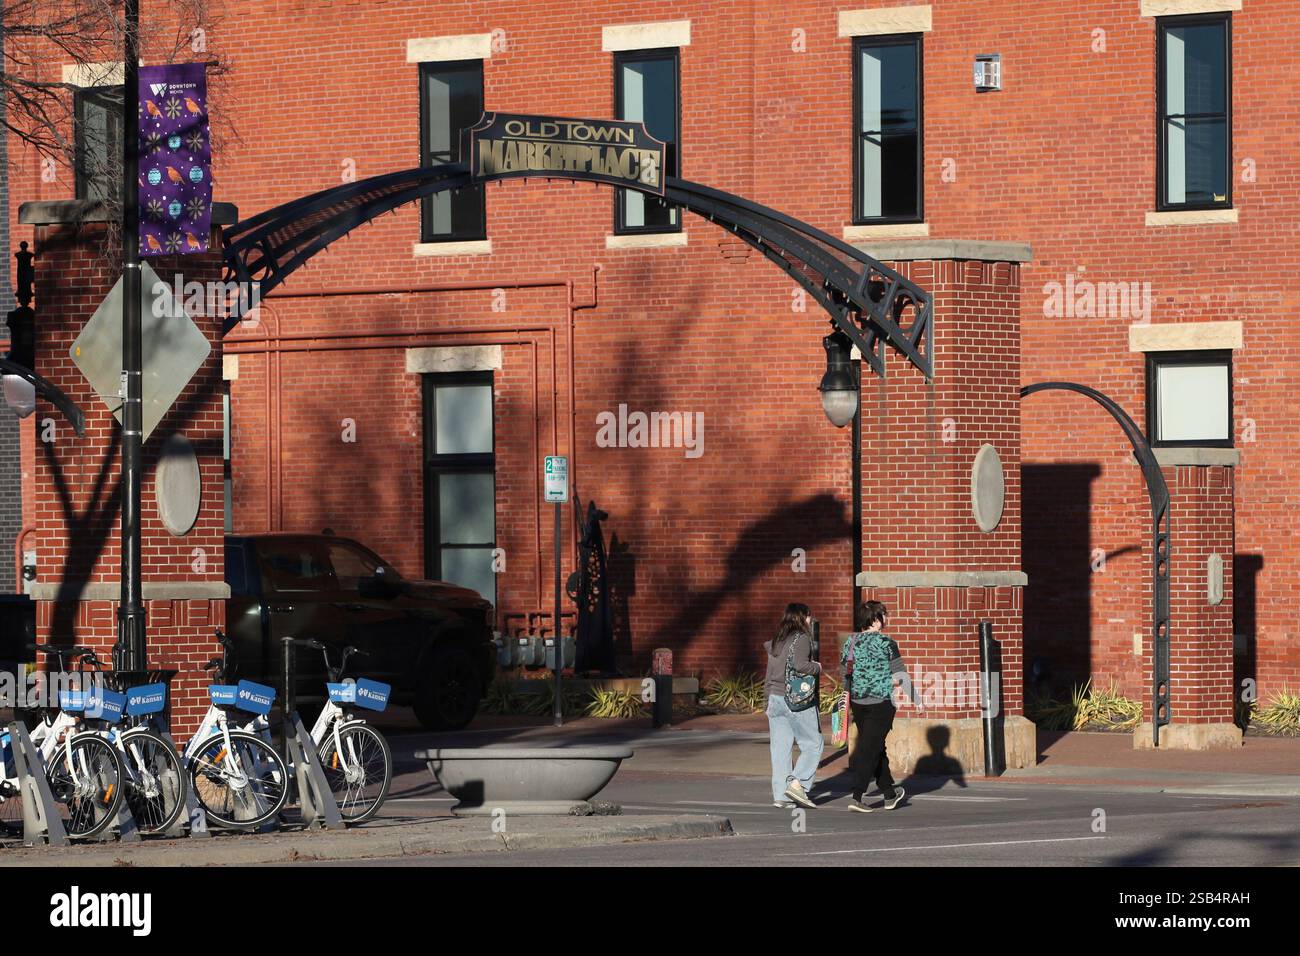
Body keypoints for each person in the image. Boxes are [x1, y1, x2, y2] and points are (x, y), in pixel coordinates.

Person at [840, 600, 919, 813]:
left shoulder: (851, 642)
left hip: (858, 702)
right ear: (875, 620)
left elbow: (845, 673)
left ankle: (889, 794)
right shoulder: (887, 643)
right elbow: (900, 674)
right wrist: (916, 699)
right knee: (869, 749)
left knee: (875, 747)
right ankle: (857, 796)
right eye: (885, 614)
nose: (888, 618)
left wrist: (845, 698)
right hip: (881, 703)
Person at [764, 602, 823, 809]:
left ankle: (781, 795)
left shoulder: (777, 641)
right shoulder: (803, 639)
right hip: (796, 700)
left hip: (775, 698)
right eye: (809, 616)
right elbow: (800, 665)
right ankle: (798, 784)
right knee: (813, 743)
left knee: (780, 749)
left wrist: (766, 700)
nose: (810, 620)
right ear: (802, 618)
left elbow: (769, 675)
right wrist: (817, 667)